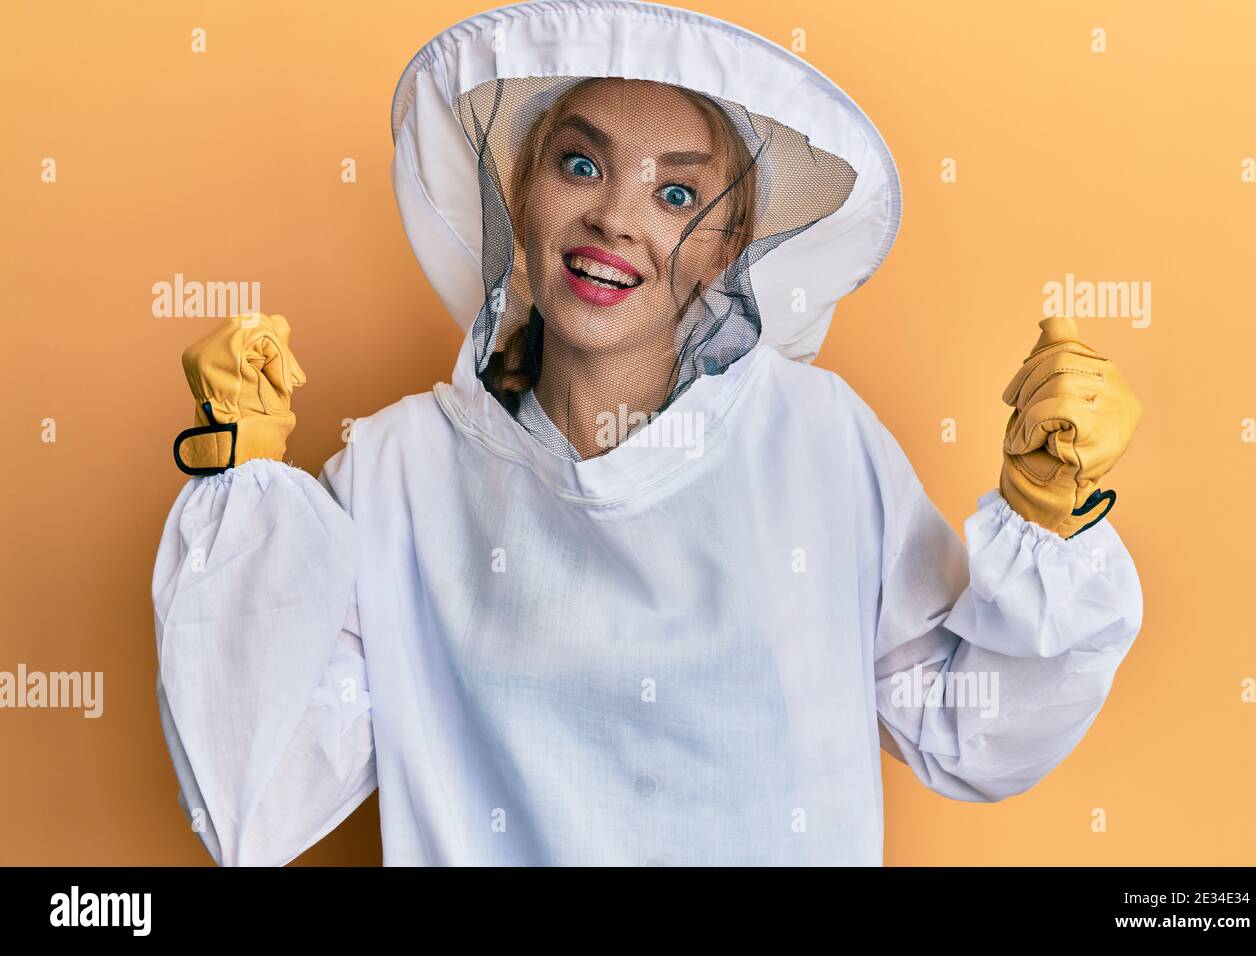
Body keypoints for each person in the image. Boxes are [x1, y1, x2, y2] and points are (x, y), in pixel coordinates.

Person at [154, 0, 1143, 867]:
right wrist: (237, 496)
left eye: (676, 193)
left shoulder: (818, 440)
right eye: (580, 164)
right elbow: (259, 796)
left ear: (726, 246)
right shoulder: (397, 471)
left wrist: (1050, 516)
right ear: (521, 193)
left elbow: (966, 731)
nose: (615, 218)